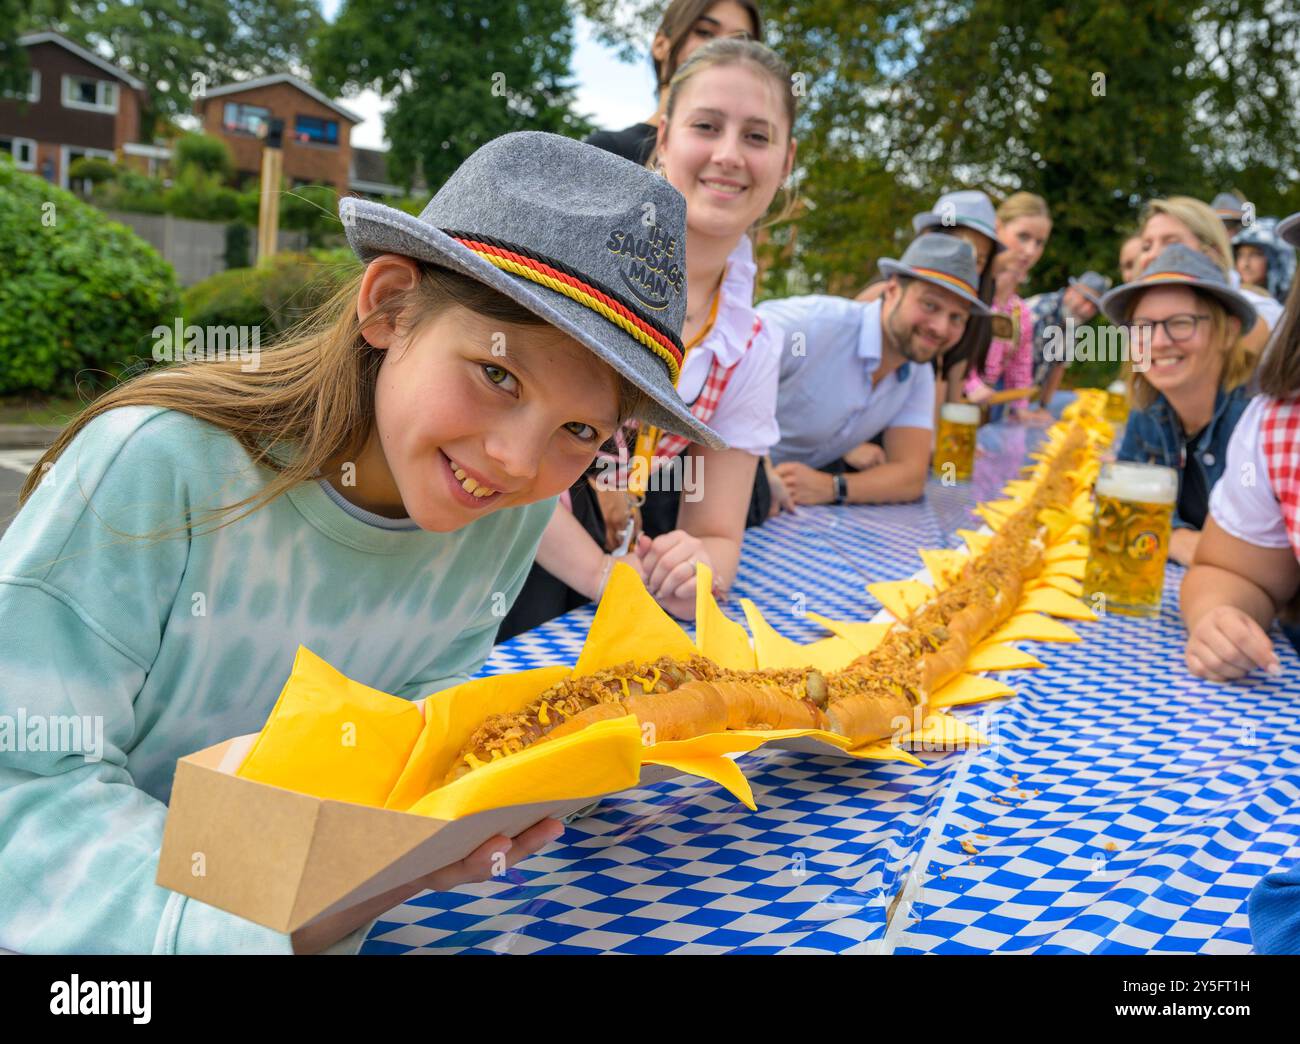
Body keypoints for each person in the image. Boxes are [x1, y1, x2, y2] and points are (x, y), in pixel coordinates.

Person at [0, 132, 721, 954]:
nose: (517, 462)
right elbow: (24, 788)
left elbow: (396, 738)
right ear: (387, 305)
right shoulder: (155, 463)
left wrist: (417, 845)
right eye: (498, 375)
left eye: (580, 428)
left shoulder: (509, 512)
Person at [501, 37, 795, 630]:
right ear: (664, 139)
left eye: (758, 136)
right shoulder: (574, 262)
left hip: (610, 577)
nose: (730, 155)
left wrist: (697, 568)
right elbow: (504, 457)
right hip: (496, 551)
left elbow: (716, 532)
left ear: (787, 162)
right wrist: (600, 574)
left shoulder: (751, 344)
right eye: (707, 126)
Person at [759, 234, 991, 505]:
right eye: (930, 305)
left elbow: (909, 477)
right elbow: (725, 360)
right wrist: (759, 471)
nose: (940, 327)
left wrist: (832, 487)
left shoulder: (917, 375)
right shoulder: (811, 326)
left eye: (956, 317)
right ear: (891, 291)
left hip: (778, 508)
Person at [1099, 244, 1257, 567]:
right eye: (1143, 326)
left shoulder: (1257, 423)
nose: (1158, 342)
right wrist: (1178, 538)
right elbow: (1125, 508)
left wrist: (1169, 536)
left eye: (1182, 322)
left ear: (1228, 332)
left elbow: (1260, 556)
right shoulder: (1149, 407)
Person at [857, 189, 1002, 407]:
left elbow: (937, 403)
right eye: (959, 248)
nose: (965, 265)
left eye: (979, 261)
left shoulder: (949, 333)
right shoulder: (874, 300)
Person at [584, 0, 761, 166]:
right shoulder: (606, 153)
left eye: (739, 44)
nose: (723, 50)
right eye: (704, 32)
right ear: (660, 45)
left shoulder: (746, 165)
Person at [963, 191, 1054, 424]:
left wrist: (1020, 407)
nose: (1031, 251)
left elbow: (1020, 365)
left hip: (984, 412)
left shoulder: (1019, 310)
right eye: (1023, 236)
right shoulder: (968, 286)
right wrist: (971, 384)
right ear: (998, 227)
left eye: (1039, 242)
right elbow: (947, 349)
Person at [1136, 195, 1282, 338]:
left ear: (1212, 251)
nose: (1152, 255)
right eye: (1146, 247)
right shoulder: (1137, 317)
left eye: (1172, 243)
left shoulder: (1259, 314)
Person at [1025, 270, 1112, 410]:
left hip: (1023, 397)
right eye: (1086, 299)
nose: (1087, 309)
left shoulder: (1072, 322)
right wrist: (1019, 407)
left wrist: (1043, 407)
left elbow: (1058, 367)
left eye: (1095, 307)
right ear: (1071, 290)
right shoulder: (1041, 311)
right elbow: (1016, 365)